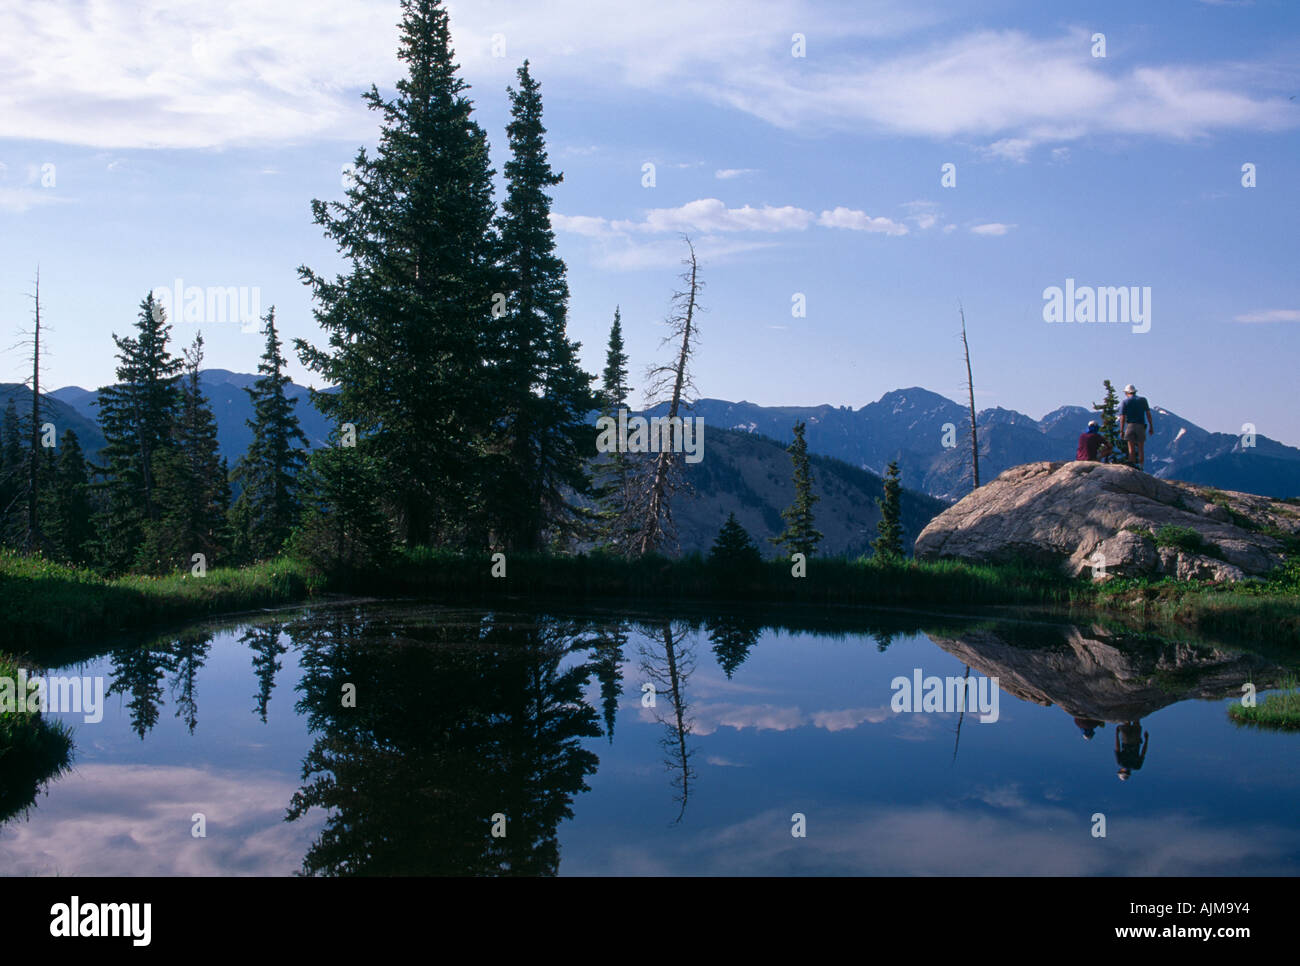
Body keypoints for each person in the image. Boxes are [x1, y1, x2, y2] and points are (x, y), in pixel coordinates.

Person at [1119, 384, 1155, 469]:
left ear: (1127, 393)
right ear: (1135, 391)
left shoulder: (1125, 402)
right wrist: (1151, 426)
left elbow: (1122, 417)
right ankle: (1141, 467)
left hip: (1130, 425)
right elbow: (1148, 414)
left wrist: (1121, 430)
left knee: (1131, 448)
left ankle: (1132, 466)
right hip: (1141, 425)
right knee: (1140, 448)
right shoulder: (1143, 400)